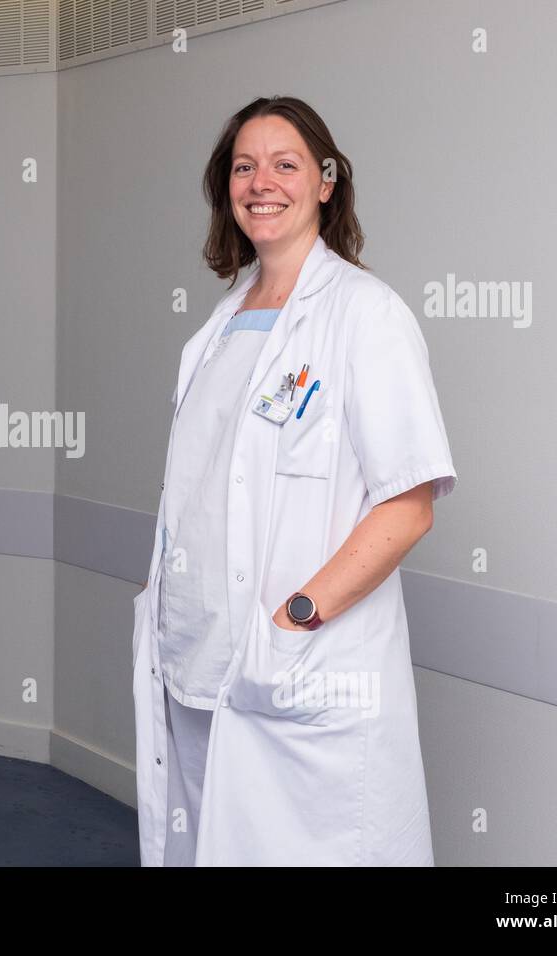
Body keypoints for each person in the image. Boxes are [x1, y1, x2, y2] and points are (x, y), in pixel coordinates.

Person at [132, 95, 458, 866]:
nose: (261, 182)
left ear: (326, 182)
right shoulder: (218, 326)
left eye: (286, 164)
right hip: (196, 659)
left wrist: (297, 621)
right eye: (244, 166)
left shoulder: (364, 315)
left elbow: (408, 505)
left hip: (294, 667)